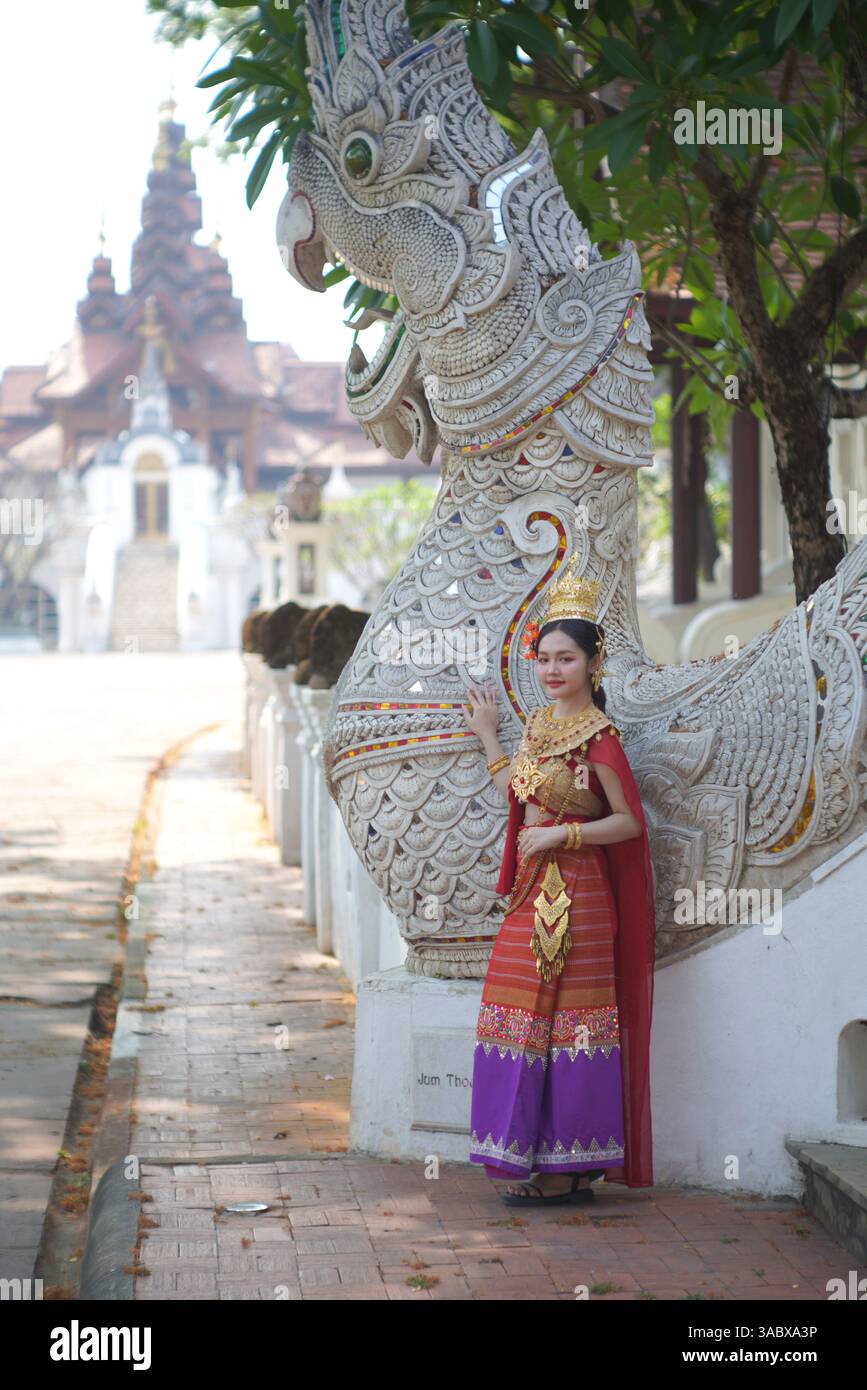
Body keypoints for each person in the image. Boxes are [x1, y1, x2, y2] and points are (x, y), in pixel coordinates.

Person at [461, 557, 655, 1206]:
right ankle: (525, 1153)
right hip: (531, 893)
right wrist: (489, 735)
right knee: (516, 1016)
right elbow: (514, 793)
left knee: (573, 1025)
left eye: (565, 659)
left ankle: (573, 1166)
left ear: (592, 665)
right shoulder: (540, 729)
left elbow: (627, 823)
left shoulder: (600, 740)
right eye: (543, 658)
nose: (551, 670)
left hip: (580, 895)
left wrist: (560, 836)